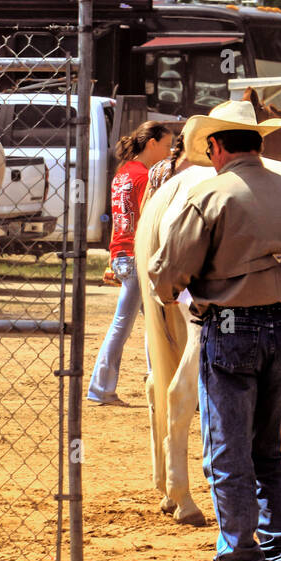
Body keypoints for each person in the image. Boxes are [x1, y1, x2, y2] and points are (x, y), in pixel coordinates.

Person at [147, 99, 281, 561]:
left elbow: (166, 271)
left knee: (228, 455)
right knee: (267, 452)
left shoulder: (208, 195)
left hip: (231, 328)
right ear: (258, 144)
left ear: (217, 146)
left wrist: (179, 288)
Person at [87, 121, 173, 405]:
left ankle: (154, 383)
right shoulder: (145, 177)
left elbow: (118, 217)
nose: (170, 151)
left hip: (121, 253)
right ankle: (105, 387)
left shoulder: (122, 173)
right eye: (166, 144)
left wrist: (113, 258)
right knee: (139, 323)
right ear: (152, 144)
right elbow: (149, 221)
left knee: (148, 321)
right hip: (138, 255)